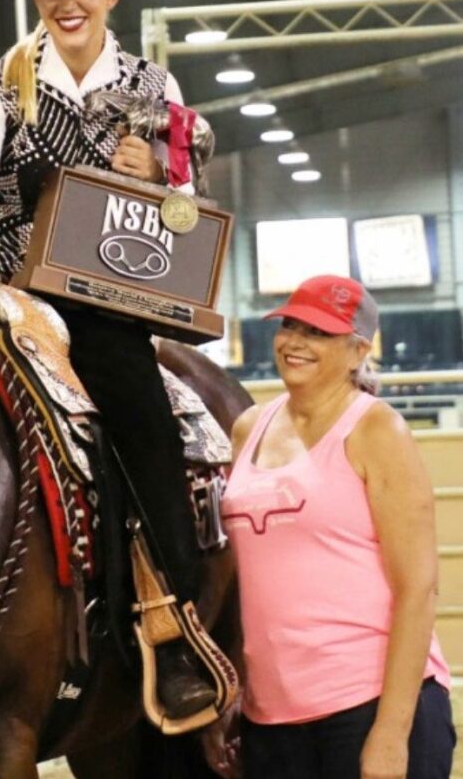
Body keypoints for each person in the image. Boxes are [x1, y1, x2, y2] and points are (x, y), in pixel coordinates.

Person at [0, 0, 216, 720]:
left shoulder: (157, 90)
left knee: (146, 421)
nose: (63, 1)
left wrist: (157, 173)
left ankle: (172, 618)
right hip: (8, 288)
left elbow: (186, 216)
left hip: (108, 303)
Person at [209, 275, 455, 778]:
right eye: (290, 326)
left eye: (318, 333)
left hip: (367, 703)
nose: (295, 342)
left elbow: (418, 589)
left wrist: (390, 732)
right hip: (272, 715)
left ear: (357, 350)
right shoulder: (247, 428)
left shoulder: (375, 429)